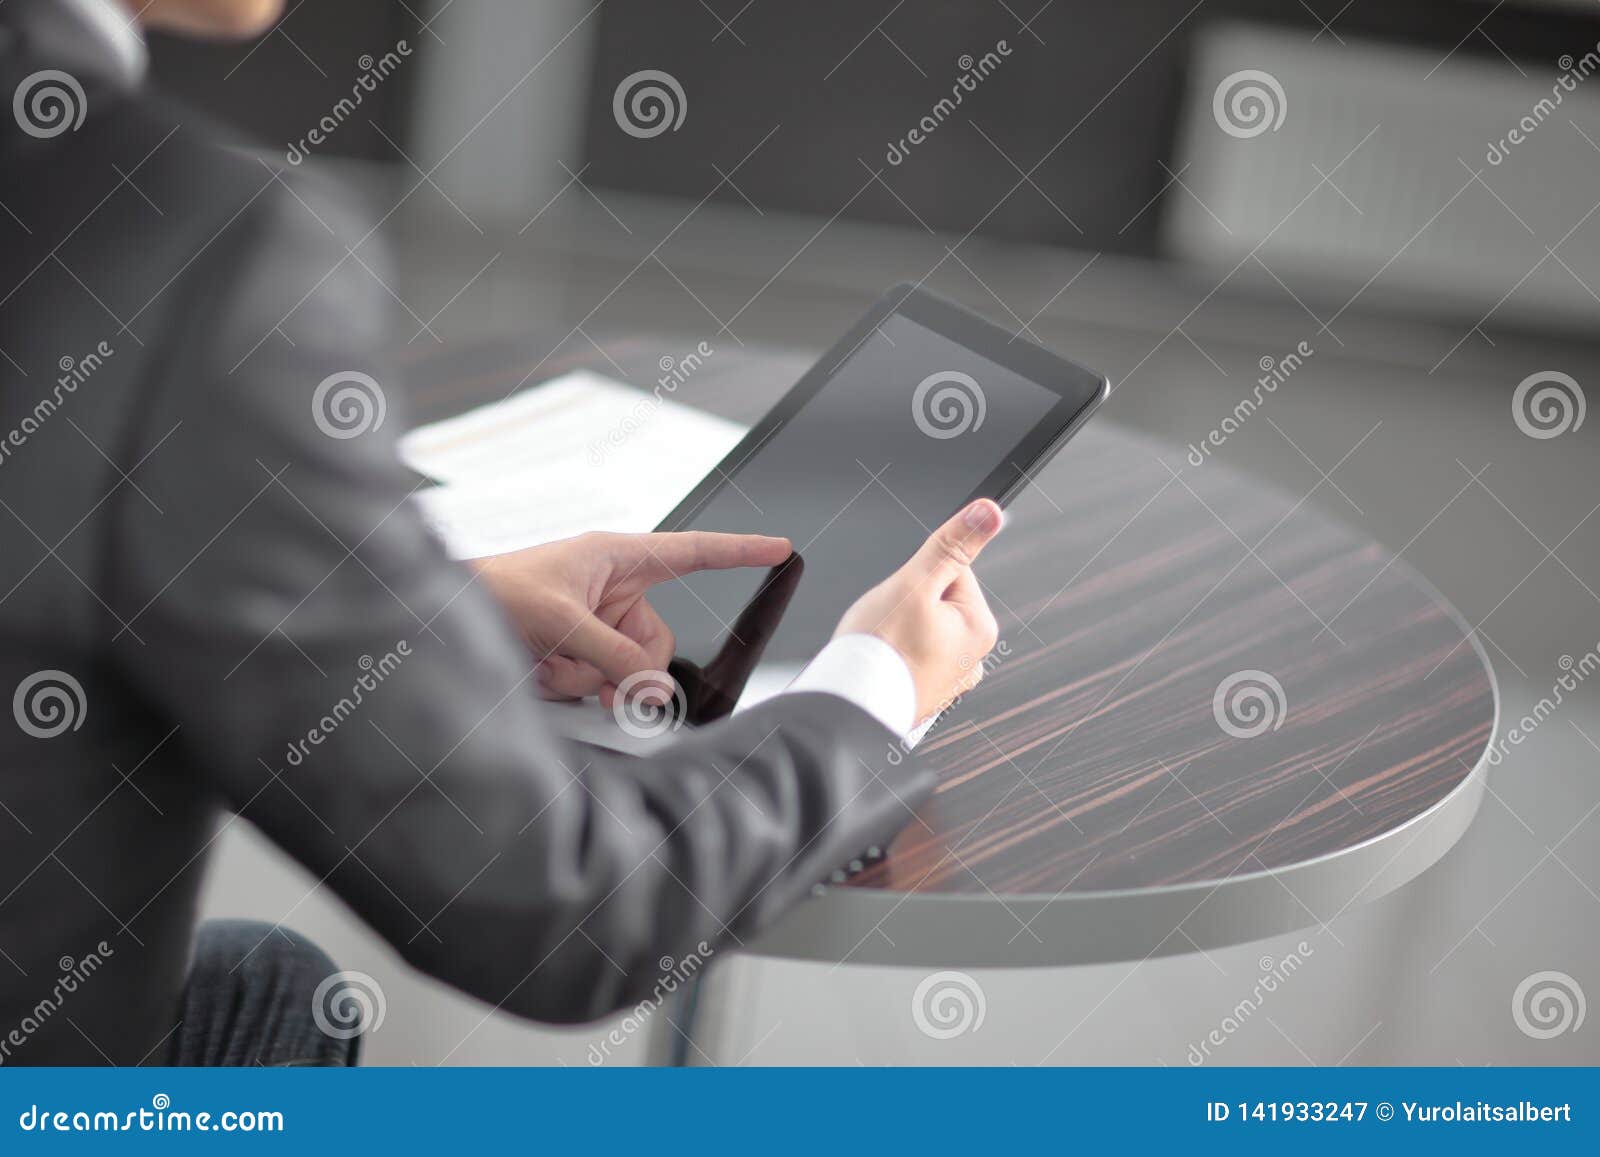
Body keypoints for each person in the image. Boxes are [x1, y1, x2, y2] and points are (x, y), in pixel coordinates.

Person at [0, 0, 1003, 1065]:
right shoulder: (187, 242)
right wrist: (870, 690)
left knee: (262, 983)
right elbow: (557, 906)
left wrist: (422, 601)